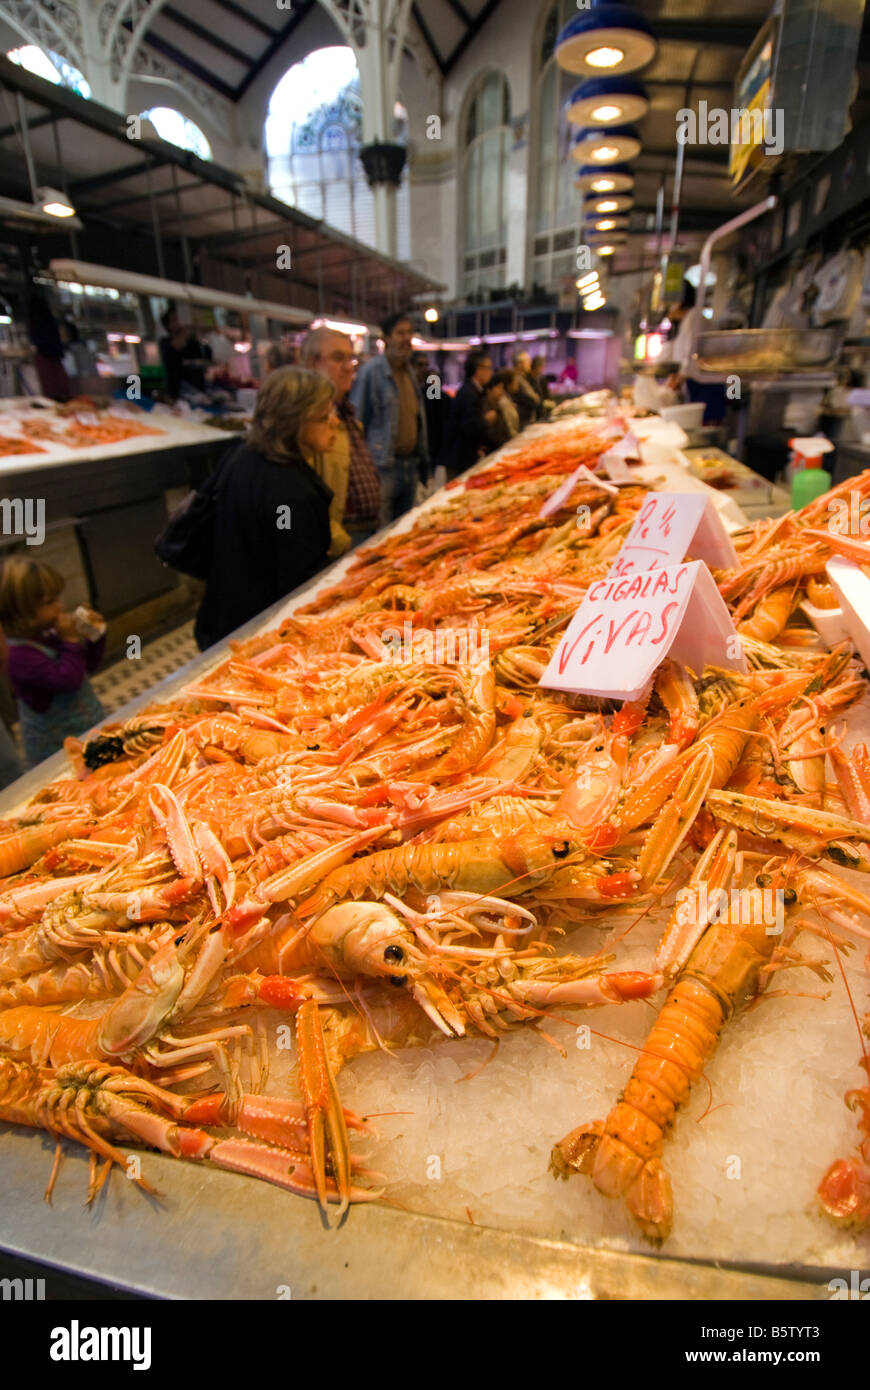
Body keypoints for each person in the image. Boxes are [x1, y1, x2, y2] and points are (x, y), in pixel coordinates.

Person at [194, 368, 335, 650]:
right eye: (323, 417)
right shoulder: (292, 492)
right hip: (259, 635)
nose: (335, 422)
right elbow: (300, 585)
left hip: (219, 617)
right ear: (293, 422)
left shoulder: (240, 455)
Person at [0, 558, 105, 769]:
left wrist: (95, 635)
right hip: (56, 754)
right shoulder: (19, 656)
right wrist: (70, 641)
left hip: (87, 731)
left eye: (57, 598)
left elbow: (87, 667)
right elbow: (68, 681)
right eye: (50, 602)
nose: (60, 606)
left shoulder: (49, 633)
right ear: (21, 613)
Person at [301, 326, 380, 552]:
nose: (348, 368)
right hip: (340, 543)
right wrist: (336, 540)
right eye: (338, 358)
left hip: (366, 532)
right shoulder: (308, 421)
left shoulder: (347, 413)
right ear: (311, 363)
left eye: (350, 359)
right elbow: (301, 501)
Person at [350, 311, 429, 526]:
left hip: (410, 466)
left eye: (409, 333)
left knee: (403, 531)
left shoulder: (408, 373)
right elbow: (357, 422)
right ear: (385, 339)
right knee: (382, 535)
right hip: (383, 468)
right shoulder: (371, 373)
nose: (406, 339)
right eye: (400, 333)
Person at [441, 349, 496, 479]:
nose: (491, 372)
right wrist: (486, 420)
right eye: (488, 368)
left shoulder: (474, 390)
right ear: (478, 370)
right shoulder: (469, 393)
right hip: (459, 457)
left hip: (462, 454)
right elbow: (469, 426)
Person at [159, 305, 212, 400]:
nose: (179, 323)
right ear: (168, 326)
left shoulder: (194, 343)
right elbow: (174, 349)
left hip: (199, 392)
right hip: (177, 394)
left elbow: (207, 358)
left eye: (180, 319)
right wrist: (185, 332)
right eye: (175, 320)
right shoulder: (165, 343)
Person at [27, 289, 71, 402]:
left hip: (47, 354)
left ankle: (58, 402)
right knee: (57, 387)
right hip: (53, 354)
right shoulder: (48, 319)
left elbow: (35, 339)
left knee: (53, 388)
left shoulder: (36, 319)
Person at [409, 350, 445, 483]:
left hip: (431, 446)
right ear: (411, 366)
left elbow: (437, 412)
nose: (424, 369)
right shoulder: (408, 388)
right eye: (420, 365)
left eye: (426, 365)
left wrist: (435, 383)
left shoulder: (430, 389)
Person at [510, 350, 542, 429]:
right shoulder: (516, 379)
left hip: (527, 419)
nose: (530, 364)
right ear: (519, 364)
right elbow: (532, 399)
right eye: (527, 361)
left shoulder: (525, 378)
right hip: (523, 422)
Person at [490, 368, 519, 445]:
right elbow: (508, 429)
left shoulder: (508, 399)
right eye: (515, 381)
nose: (517, 383)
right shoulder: (503, 402)